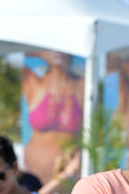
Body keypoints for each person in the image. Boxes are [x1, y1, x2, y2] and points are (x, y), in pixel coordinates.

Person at [21, 52, 84, 183]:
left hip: (69, 176)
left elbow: (111, 61)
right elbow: (16, 46)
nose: (58, 52)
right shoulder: (34, 84)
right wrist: (45, 53)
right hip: (34, 172)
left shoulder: (82, 87)